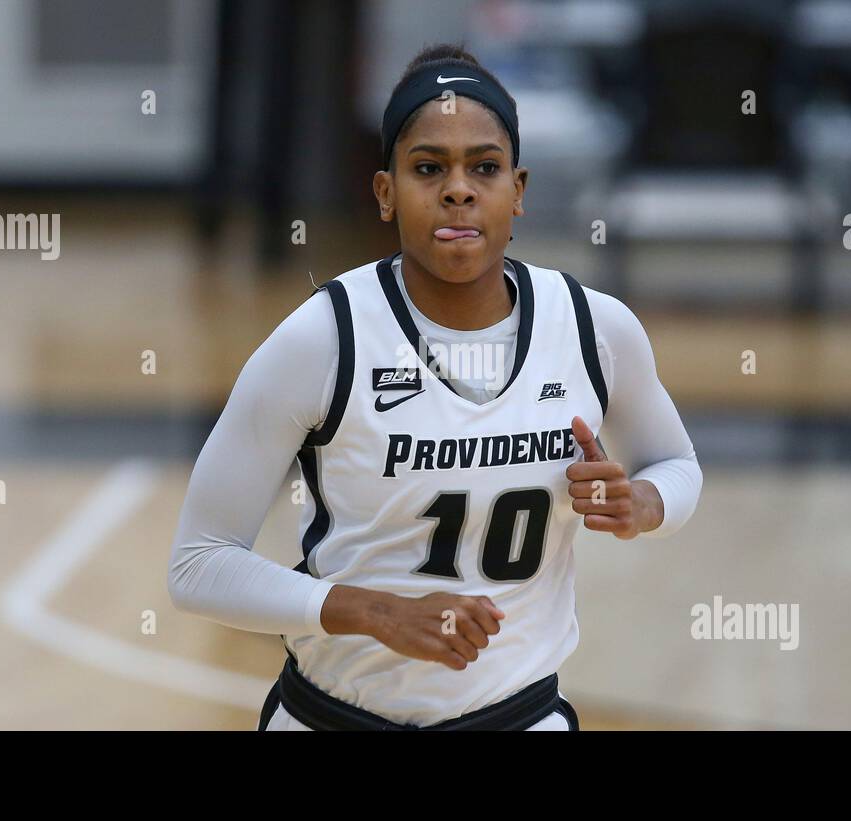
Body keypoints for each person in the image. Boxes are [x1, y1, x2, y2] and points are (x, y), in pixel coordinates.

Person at [168, 43, 702, 731]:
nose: (459, 188)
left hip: (519, 716)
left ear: (520, 190)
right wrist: (372, 609)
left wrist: (643, 503)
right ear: (385, 193)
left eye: (484, 166)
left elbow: (679, 465)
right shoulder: (322, 339)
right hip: (333, 715)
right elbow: (198, 564)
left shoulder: (595, 329)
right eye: (428, 167)